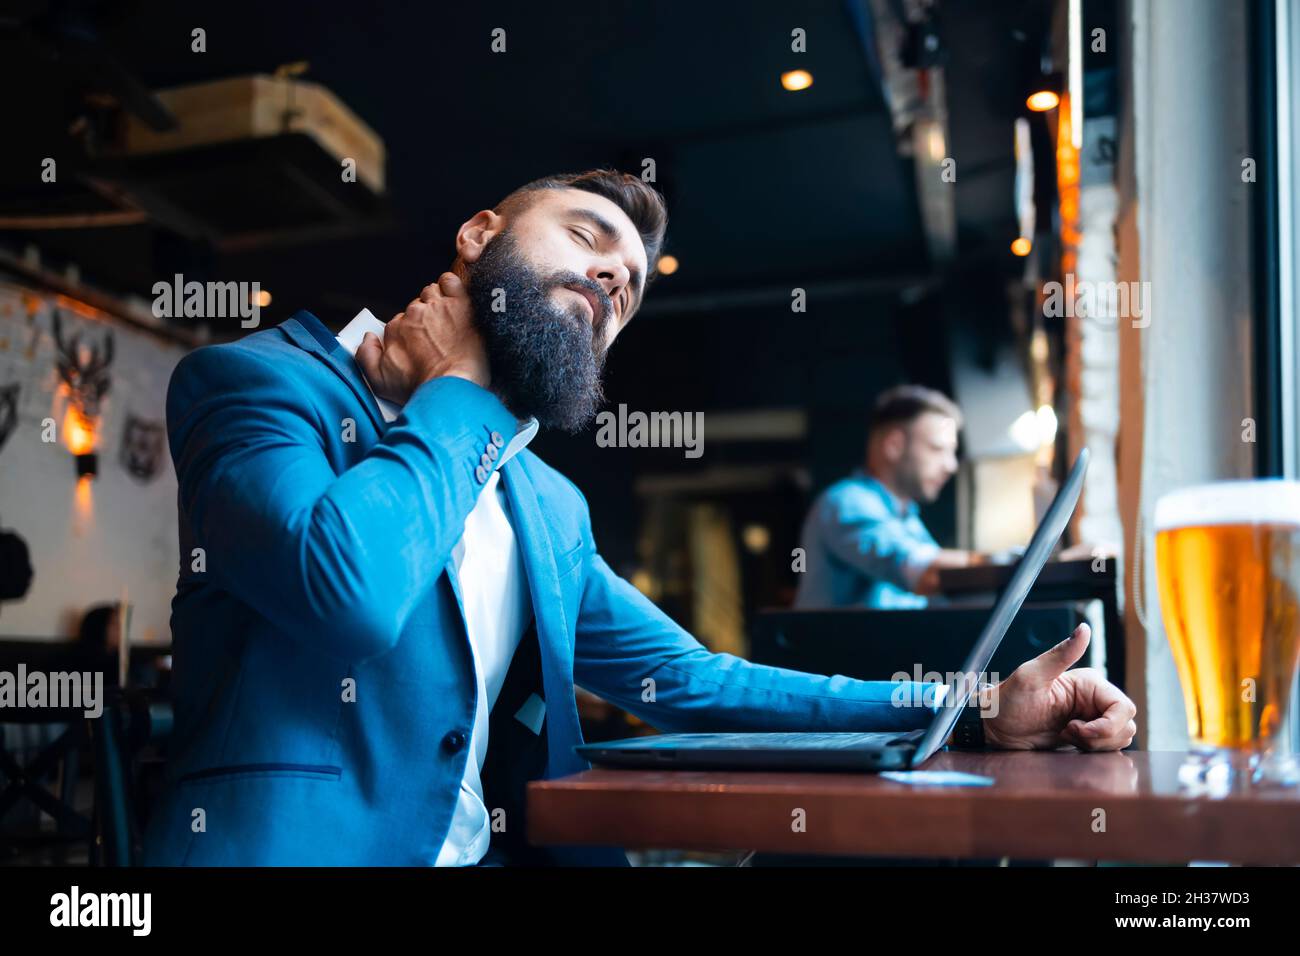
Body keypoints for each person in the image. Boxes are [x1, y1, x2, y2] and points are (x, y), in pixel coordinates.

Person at [143, 169, 1136, 867]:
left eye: (629, 288)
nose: (615, 278)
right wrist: (460, 389)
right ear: (479, 234)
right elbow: (345, 589)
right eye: (585, 236)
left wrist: (968, 708)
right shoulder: (260, 383)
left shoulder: (545, 502)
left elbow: (696, 683)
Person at [795, 385, 985, 609]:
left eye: (952, 452)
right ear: (894, 446)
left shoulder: (907, 518)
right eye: (937, 449)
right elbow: (925, 572)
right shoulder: (846, 501)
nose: (951, 465)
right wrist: (1009, 564)